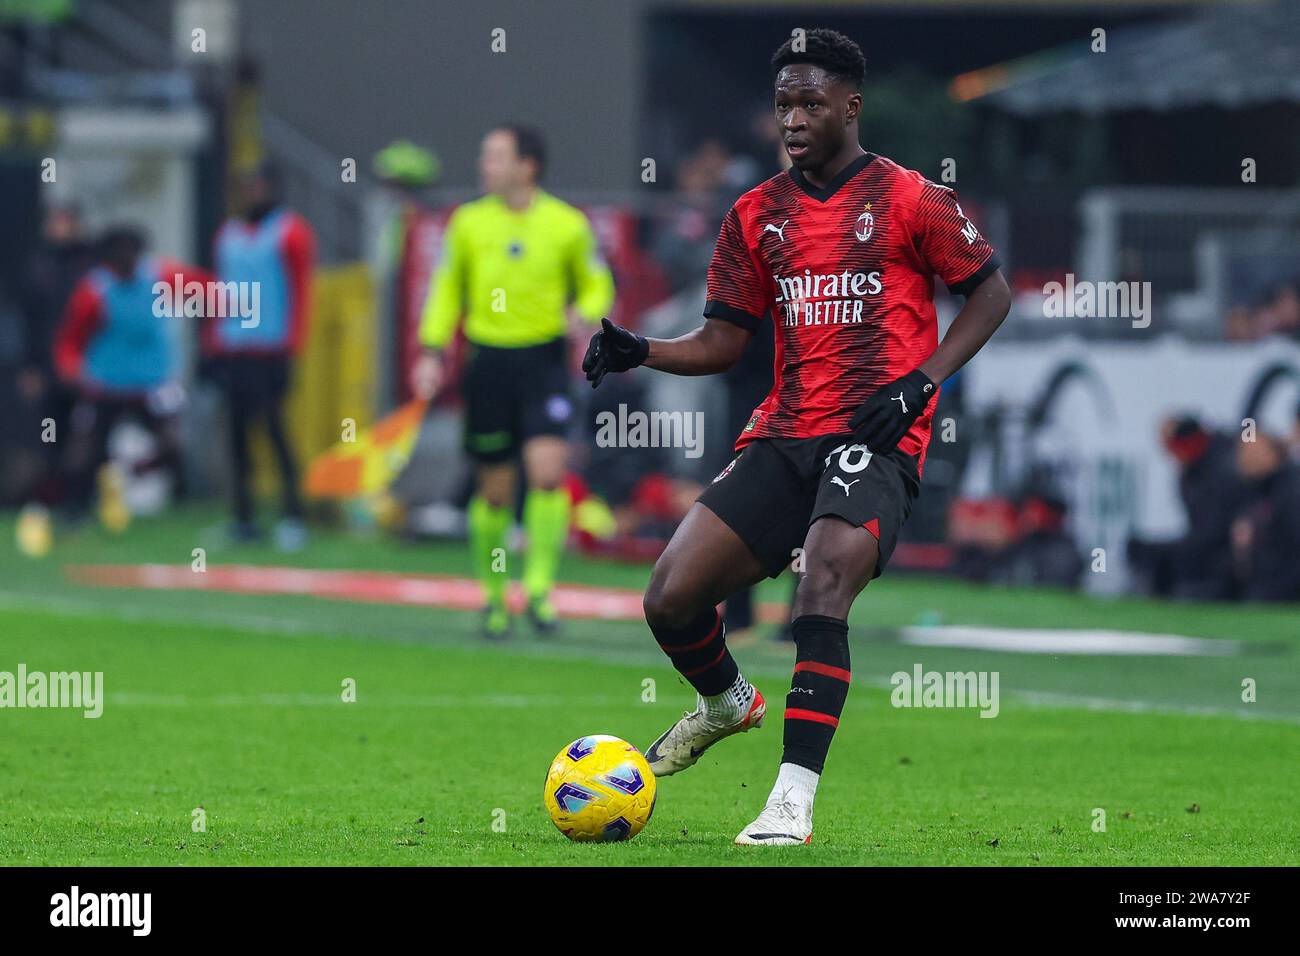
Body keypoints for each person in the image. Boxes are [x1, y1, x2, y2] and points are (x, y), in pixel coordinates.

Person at [582, 29, 1010, 845]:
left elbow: (989, 296)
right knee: (670, 597)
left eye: (811, 102)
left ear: (851, 105)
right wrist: (645, 350)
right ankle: (726, 703)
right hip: (783, 432)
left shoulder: (913, 198)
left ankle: (790, 800)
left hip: (876, 433)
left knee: (821, 587)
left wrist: (922, 383)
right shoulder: (754, 215)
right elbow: (724, 342)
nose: (794, 118)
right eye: (783, 104)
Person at [411, 125, 614, 639]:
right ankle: (494, 596)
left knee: (548, 474)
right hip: (489, 363)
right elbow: (445, 289)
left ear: (528, 166)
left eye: (496, 156)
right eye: (485, 155)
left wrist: (585, 313)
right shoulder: (468, 223)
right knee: (495, 491)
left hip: (542, 361)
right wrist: (432, 349)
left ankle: (541, 591)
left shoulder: (566, 224)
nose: (485, 165)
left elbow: (596, 280)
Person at [53, 227, 206, 525]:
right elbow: (71, 337)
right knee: (85, 448)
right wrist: (70, 366)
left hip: (153, 382)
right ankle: (74, 508)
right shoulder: (95, 291)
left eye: (130, 255)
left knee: (172, 444)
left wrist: (219, 332)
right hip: (106, 383)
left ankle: (172, 496)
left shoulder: (162, 278)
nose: (125, 262)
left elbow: (212, 294)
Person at [208, 162, 316, 549]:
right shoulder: (228, 234)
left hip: (270, 349)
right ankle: (243, 517)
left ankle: (292, 515)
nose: (253, 193)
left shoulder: (290, 231)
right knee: (236, 438)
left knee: (275, 433)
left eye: (259, 186)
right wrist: (213, 341)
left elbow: (302, 288)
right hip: (234, 347)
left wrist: (293, 343)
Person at [1232, 434, 1300, 602]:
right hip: (1258, 587)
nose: (1247, 458)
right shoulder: (1250, 490)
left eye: (1254, 452)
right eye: (1243, 452)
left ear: (1274, 453)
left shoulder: (1291, 490)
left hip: (1284, 592)